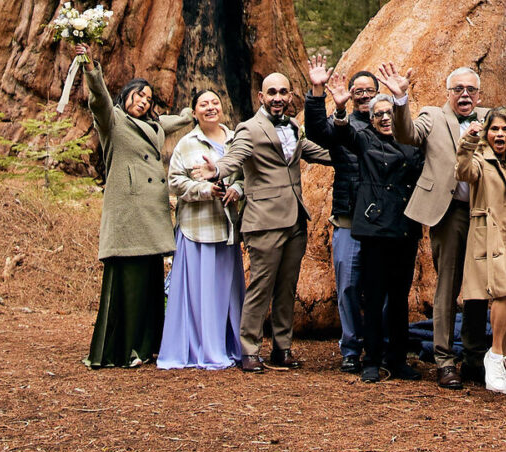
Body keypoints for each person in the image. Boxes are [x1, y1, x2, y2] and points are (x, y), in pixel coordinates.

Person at [307, 71, 425, 383]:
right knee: (371, 296)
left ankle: (397, 359)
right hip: (373, 229)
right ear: (370, 119)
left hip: (403, 229)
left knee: (398, 298)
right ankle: (370, 359)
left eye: (390, 113)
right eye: (379, 114)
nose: (385, 118)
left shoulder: (413, 144)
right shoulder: (364, 140)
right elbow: (339, 133)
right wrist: (341, 109)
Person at [82, 58, 193, 369]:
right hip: (129, 217)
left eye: (148, 99)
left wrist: (190, 115)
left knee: (149, 285)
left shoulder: (154, 126)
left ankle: (145, 348)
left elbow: (171, 121)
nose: (143, 101)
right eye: (138, 95)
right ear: (126, 95)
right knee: (127, 284)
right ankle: (120, 348)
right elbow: (99, 100)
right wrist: (92, 70)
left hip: (152, 215)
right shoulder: (113, 122)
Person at [218, 69, 330, 372]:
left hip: (295, 220)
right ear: (261, 96)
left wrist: (357, 155)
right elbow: (235, 156)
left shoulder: (294, 127)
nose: (278, 98)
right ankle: (249, 349)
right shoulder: (249, 128)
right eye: (272, 93)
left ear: (291, 95)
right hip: (263, 221)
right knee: (261, 286)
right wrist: (217, 170)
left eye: (283, 92)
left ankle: (282, 348)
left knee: (287, 287)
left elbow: (316, 152)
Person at [393, 64, 492, 386]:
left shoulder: (490, 118)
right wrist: (399, 100)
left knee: (479, 289)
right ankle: (445, 359)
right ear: (447, 92)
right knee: (447, 287)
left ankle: (475, 359)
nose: (465, 95)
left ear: (479, 94)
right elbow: (407, 134)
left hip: (482, 213)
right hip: (447, 214)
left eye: (471, 90)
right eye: (458, 89)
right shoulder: (433, 117)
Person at [158, 86, 246, 371]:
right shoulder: (187, 143)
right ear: (194, 112)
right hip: (196, 228)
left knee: (225, 291)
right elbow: (175, 181)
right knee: (199, 292)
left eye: (215, 102)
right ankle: (201, 349)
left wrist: (236, 189)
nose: (210, 107)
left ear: (222, 108)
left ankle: (229, 345)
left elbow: (249, 176)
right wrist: (204, 189)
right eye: (203, 104)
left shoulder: (236, 140)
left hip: (227, 227)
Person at [305, 55, 382, 372]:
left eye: (369, 90)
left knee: (379, 288)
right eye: (358, 90)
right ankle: (350, 348)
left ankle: (380, 346)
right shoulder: (342, 126)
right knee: (348, 286)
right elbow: (315, 132)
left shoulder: (386, 125)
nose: (364, 95)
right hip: (348, 219)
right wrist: (317, 91)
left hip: (380, 224)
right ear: (350, 95)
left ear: (378, 93)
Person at [454, 108, 506, 395]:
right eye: (494, 129)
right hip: (492, 238)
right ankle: (495, 356)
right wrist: (467, 143)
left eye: (505, 130)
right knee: (504, 295)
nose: (499, 134)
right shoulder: (480, 160)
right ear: (487, 133)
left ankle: (499, 361)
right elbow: (463, 171)